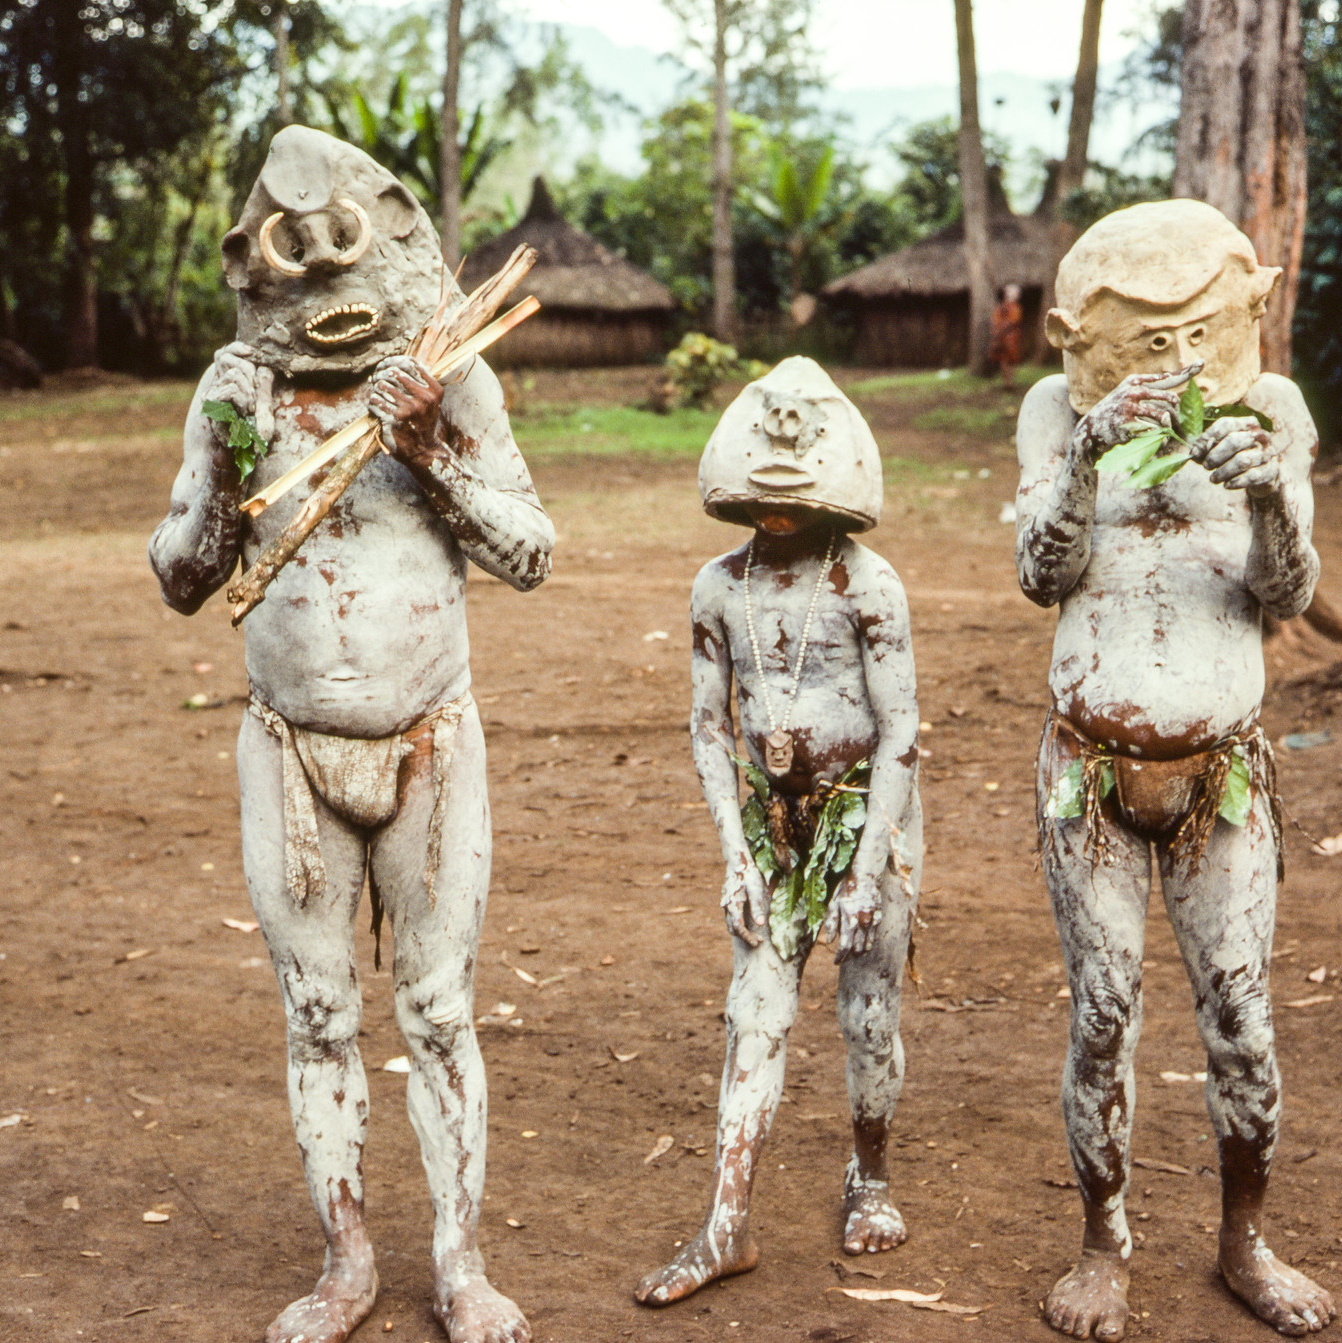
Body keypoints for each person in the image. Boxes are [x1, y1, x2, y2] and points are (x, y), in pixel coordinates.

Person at [148, 126, 550, 1343]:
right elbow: (180, 577)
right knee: (317, 1012)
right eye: (296, 250)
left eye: (346, 246)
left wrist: (425, 448)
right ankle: (344, 1260)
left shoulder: (453, 376)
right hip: (290, 746)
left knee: (435, 1009)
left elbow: (530, 551)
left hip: (431, 737)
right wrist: (221, 471)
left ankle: (461, 1263)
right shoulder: (238, 390)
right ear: (258, 264)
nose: (325, 277)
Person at [1014, 199, 1334, 1341]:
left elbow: (1285, 592)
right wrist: (1088, 453)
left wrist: (1261, 488)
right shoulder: (1054, 408)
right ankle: (1101, 1242)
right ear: (1083, 338)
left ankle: (1243, 1237)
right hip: (1086, 770)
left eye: (1199, 334)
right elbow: (1039, 573)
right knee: (1101, 1013)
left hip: (1221, 772)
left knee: (1240, 1017)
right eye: (1150, 342)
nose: (1182, 364)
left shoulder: (1273, 408)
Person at [634, 357, 923, 1305]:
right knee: (754, 1009)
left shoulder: (867, 587)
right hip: (772, 825)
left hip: (863, 819)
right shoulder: (719, 589)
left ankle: (870, 1176)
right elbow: (710, 727)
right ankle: (726, 1224)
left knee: (867, 1015)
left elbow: (901, 731)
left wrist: (869, 869)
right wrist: (735, 855)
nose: (781, 506)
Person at [990, 282, 1026, 385]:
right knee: (1003, 359)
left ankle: (1011, 381)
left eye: (1016, 293)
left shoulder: (1016, 308)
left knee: (1013, 359)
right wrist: (998, 333)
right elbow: (995, 320)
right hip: (1002, 337)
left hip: (1012, 337)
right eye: (1013, 293)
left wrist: (1001, 329)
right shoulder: (1000, 307)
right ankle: (1007, 382)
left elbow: (1015, 320)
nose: (1015, 295)